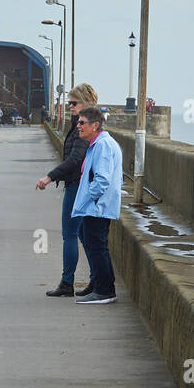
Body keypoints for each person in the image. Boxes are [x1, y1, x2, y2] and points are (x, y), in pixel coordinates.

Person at [35, 82, 98, 297]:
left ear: (85, 103)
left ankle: (67, 283)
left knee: (70, 235)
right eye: (69, 102)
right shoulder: (82, 125)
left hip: (77, 187)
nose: (69, 106)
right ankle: (94, 280)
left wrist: (50, 176)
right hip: (81, 185)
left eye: (73, 103)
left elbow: (75, 160)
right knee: (82, 235)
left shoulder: (83, 129)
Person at [70, 106, 123, 304]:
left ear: (95, 125)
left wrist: (87, 199)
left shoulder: (103, 146)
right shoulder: (97, 144)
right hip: (95, 205)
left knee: (97, 246)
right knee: (92, 242)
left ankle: (105, 290)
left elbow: (102, 180)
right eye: (78, 122)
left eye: (82, 122)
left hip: (97, 206)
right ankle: (98, 284)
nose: (78, 126)